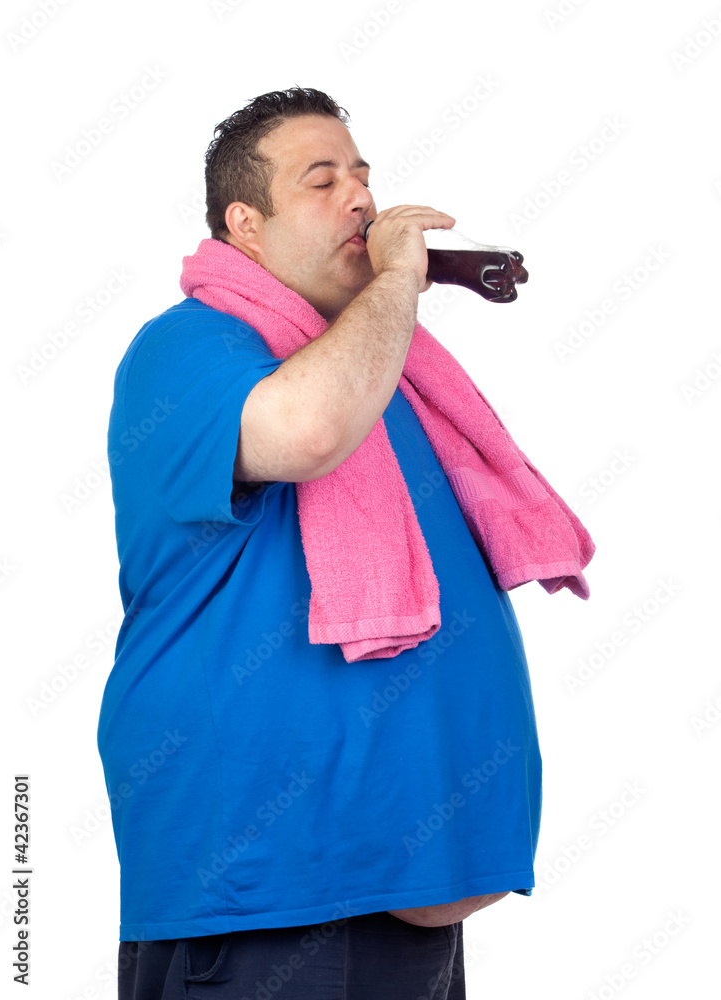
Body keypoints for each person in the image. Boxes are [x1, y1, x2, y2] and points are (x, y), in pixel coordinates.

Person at [98, 86, 593, 1000]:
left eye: (363, 175)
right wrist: (399, 281)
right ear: (244, 226)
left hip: (393, 888)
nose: (362, 200)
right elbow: (306, 430)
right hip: (265, 897)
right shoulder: (189, 347)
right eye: (322, 181)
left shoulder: (385, 375)